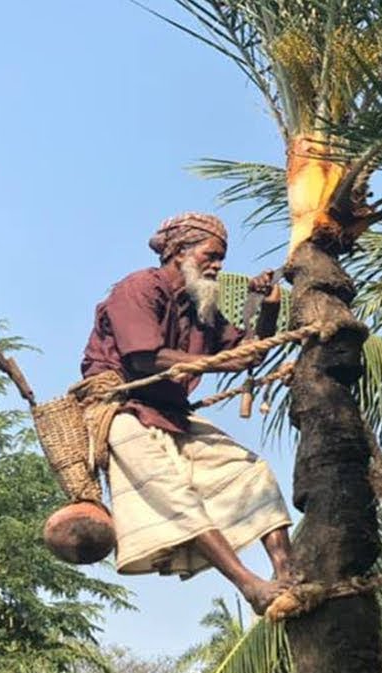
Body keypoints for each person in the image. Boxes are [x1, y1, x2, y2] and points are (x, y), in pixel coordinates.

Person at [80, 211, 295, 613]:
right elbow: (144, 359)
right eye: (211, 256)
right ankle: (249, 586)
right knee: (175, 491)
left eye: (222, 259)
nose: (217, 266)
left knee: (251, 470)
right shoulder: (138, 287)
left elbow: (244, 354)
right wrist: (215, 364)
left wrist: (268, 308)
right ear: (179, 252)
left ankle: (287, 576)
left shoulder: (203, 305)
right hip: (121, 411)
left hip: (172, 414)